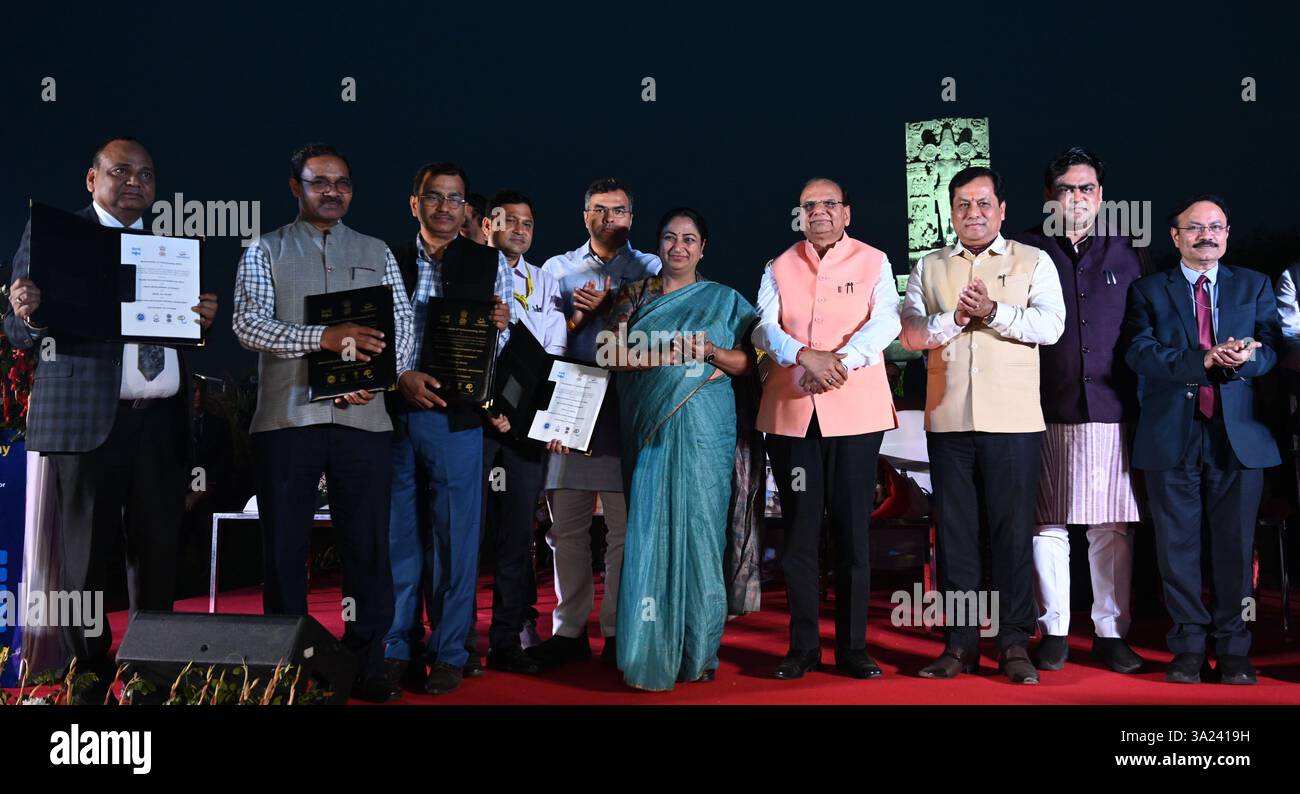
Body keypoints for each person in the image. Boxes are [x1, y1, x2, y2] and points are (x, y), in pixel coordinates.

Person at [3, 136, 218, 703]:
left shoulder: (167, 249)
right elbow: (19, 331)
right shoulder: (55, 237)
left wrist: (202, 320)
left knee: (157, 552)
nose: (134, 183)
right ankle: (89, 674)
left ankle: (151, 674)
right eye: (120, 171)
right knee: (85, 559)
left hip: (162, 422)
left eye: (146, 175)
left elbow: (183, 336)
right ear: (90, 179)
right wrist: (23, 311)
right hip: (88, 423)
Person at [232, 142, 413, 702]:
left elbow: (403, 333)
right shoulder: (265, 249)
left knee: (367, 547)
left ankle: (366, 661)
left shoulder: (378, 250)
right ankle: (291, 665)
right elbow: (248, 326)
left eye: (342, 182)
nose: (331, 191)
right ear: (296, 187)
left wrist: (378, 377)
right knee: (285, 549)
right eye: (319, 182)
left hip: (366, 421)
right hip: (288, 421)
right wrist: (324, 339)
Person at [901, 166, 1065, 684]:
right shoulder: (928, 268)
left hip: (1014, 421)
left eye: (983, 203)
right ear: (950, 212)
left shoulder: (1033, 260)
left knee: (1012, 532)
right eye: (962, 205)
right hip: (949, 422)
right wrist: (954, 319)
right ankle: (961, 645)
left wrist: (993, 312)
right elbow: (910, 334)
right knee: (955, 536)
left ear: (1002, 209)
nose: (973, 213)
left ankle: (1015, 643)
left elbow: (1052, 326)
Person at [1124, 194, 1280, 685]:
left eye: (1216, 227)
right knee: (1177, 546)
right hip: (1173, 431)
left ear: (1227, 234)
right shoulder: (1148, 290)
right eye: (1194, 228)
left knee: (1235, 545)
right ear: (1176, 237)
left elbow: (1272, 347)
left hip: (1240, 434)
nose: (1206, 235)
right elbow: (1138, 352)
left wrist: (1248, 359)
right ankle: (1188, 646)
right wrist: (1203, 361)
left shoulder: (1254, 284)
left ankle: (1234, 648)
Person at [753, 178, 900, 680]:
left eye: (829, 204)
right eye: (809, 205)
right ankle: (803, 647)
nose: (819, 212)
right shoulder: (777, 266)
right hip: (793, 413)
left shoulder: (874, 260)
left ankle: (854, 647)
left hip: (856, 411)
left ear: (846, 213)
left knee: (853, 530)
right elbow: (763, 327)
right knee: (798, 531)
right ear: (800, 214)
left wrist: (840, 360)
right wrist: (802, 355)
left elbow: (887, 322)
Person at [605, 207, 758, 690]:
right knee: (650, 528)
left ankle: (699, 651)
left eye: (689, 239)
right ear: (658, 245)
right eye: (669, 238)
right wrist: (671, 353)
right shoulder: (633, 295)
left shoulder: (726, 302)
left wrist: (709, 351)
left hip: (707, 429)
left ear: (703, 248)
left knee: (701, 530)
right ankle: (647, 649)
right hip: (650, 427)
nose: (678, 247)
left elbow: (746, 364)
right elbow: (610, 353)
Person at [1013, 147, 1147, 673]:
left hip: (1112, 404)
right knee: (1046, 524)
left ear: (1100, 196)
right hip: (1040, 405)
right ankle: (1055, 631)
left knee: (1110, 526)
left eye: (1086, 188)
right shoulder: (1023, 249)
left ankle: (1112, 633)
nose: (1076, 197)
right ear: (1050, 196)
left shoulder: (1129, 251)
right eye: (1066, 188)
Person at [383, 162, 514, 695]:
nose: (443, 207)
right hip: (392, 413)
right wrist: (399, 379)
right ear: (414, 203)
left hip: (457, 418)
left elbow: (500, 345)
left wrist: (500, 328)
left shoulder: (488, 262)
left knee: (456, 541)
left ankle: (451, 650)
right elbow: (369, 331)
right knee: (398, 538)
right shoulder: (384, 257)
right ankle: (397, 645)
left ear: (467, 209)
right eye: (432, 197)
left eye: (454, 199)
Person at [531, 178, 660, 668]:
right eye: (601, 210)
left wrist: (615, 309)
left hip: (629, 407)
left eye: (621, 210)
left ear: (633, 216)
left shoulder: (652, 268)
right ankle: (568, 631)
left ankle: (617, 630)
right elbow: (541, 341)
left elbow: (661, 338)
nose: (611, 219)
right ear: (585, 216)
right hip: (569, 407)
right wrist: (576, 321)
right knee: (567, 528)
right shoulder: (556, 269)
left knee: (626, 531)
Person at [476, 189, 567, 675]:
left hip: (525, 426)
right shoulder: (467, 270)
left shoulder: (545, 280)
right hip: (475, 422)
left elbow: (553, 352)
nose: (518, 229)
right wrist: (489, 408)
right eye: (508, 220)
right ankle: (452, 642)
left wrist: (544, 420)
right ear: (487, 224)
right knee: (461, 534)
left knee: (517, 538)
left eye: (527, 222)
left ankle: (507, 640)